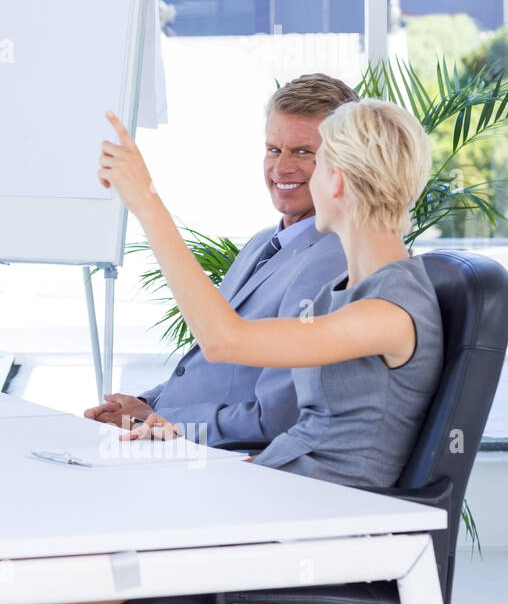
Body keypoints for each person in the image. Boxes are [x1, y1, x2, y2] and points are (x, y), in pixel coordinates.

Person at [12, 97, 442, 604]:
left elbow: (225, 340)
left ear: (338, 181)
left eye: (317, 159)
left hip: (313, 525)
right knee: (33, 568)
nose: (296, 173)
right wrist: (189, 449)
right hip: (271, 493)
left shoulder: (389, 312)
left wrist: (146, 201)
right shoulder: (347, 291)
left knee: (38, 601)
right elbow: (309, 434)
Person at [85, 74, 356, 444]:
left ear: (342, 162)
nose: (281, 169)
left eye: (303, 152)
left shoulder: (332, 260)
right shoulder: (262, 243)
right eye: (274, 150)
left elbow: (275, 418)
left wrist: (164, 421)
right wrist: (146, 406)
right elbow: (219, 371)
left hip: (230, 465)